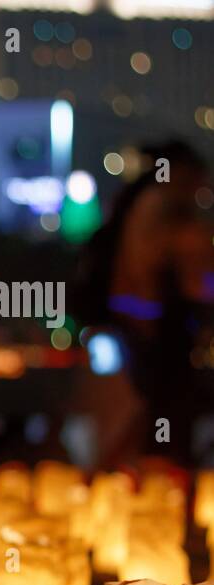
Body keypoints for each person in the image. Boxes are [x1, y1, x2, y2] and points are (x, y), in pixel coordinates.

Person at [76, 140, 214, 468]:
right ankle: (158, 491)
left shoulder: (142, 200)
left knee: (146, 417)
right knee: (157, 419)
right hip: (150, 332)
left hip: (140, 329)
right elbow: (181, 274)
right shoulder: (160, 206)